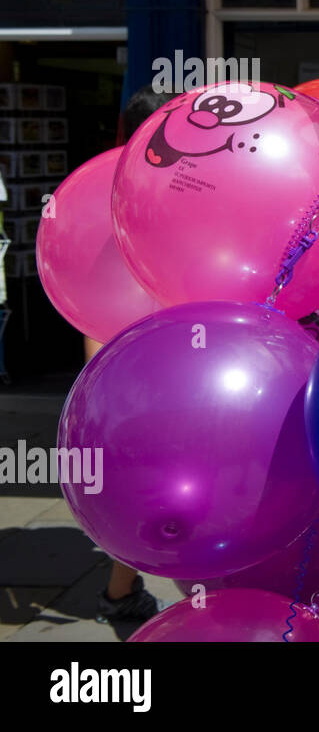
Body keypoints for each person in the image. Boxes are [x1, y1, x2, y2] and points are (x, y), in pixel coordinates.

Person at [91, 84, 171, 623]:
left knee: (141, 485)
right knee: (151, 482)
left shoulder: (109, 185)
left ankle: (122, 594)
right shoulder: (147, 189)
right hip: (150, 358)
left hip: (134, 358)